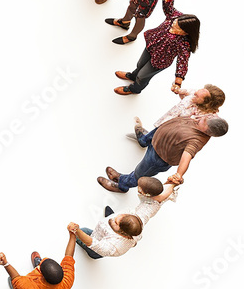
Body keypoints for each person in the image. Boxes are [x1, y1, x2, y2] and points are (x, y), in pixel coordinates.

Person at [98, 116, 229, 193]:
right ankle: (143, 140)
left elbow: (186, 157)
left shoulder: (196, 141)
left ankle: (123, 185)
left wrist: (179, 174)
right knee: (145, 149)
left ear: (207, 131)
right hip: (156, 142)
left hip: (157, 158)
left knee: (140, 173)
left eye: (203, 121)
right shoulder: (202, 122)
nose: (200, 118)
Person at [74, 178, 175, 258]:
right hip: (103, 231)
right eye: (122, 215)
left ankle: (90, 252)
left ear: (120, 230)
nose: (117, 216)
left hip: (96, 243)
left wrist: (77, 231)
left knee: (83, 232)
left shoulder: (114, 246)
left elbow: (93, 244)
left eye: (116, 220)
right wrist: (172, 183)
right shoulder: (140, 216)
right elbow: (158, 200)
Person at [114, 1, 200, 95]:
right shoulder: (174, 16)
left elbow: (183, 62)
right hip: (151, 47)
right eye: (173, 24)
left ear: (186, 32)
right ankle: (132, 76)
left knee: (142, 76)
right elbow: (168, 4)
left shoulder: (184, 44)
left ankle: (135, 89)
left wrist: (178, 81)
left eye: (176, 29)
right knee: (140, 64)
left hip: (160, 61)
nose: (172, 28)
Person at [0, 224, 76, 289]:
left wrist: (5, 263)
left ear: (41, 276)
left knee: (13, 283)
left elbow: (16, 278)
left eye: (39, 267)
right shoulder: (67, 280)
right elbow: (69, 255)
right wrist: (72, 234)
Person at [128, 85, 226, 145]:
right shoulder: (196, 92)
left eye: (197, 96)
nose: (194, 94)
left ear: (206, 103)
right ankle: (148, 139)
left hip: (174, 126)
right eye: (196, 92)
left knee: (159, 132)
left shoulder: (204, 114)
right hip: (169, 117)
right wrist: (177, 89)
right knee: (157, 130)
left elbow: (213, 122)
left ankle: (144, 140)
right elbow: (184, 92)